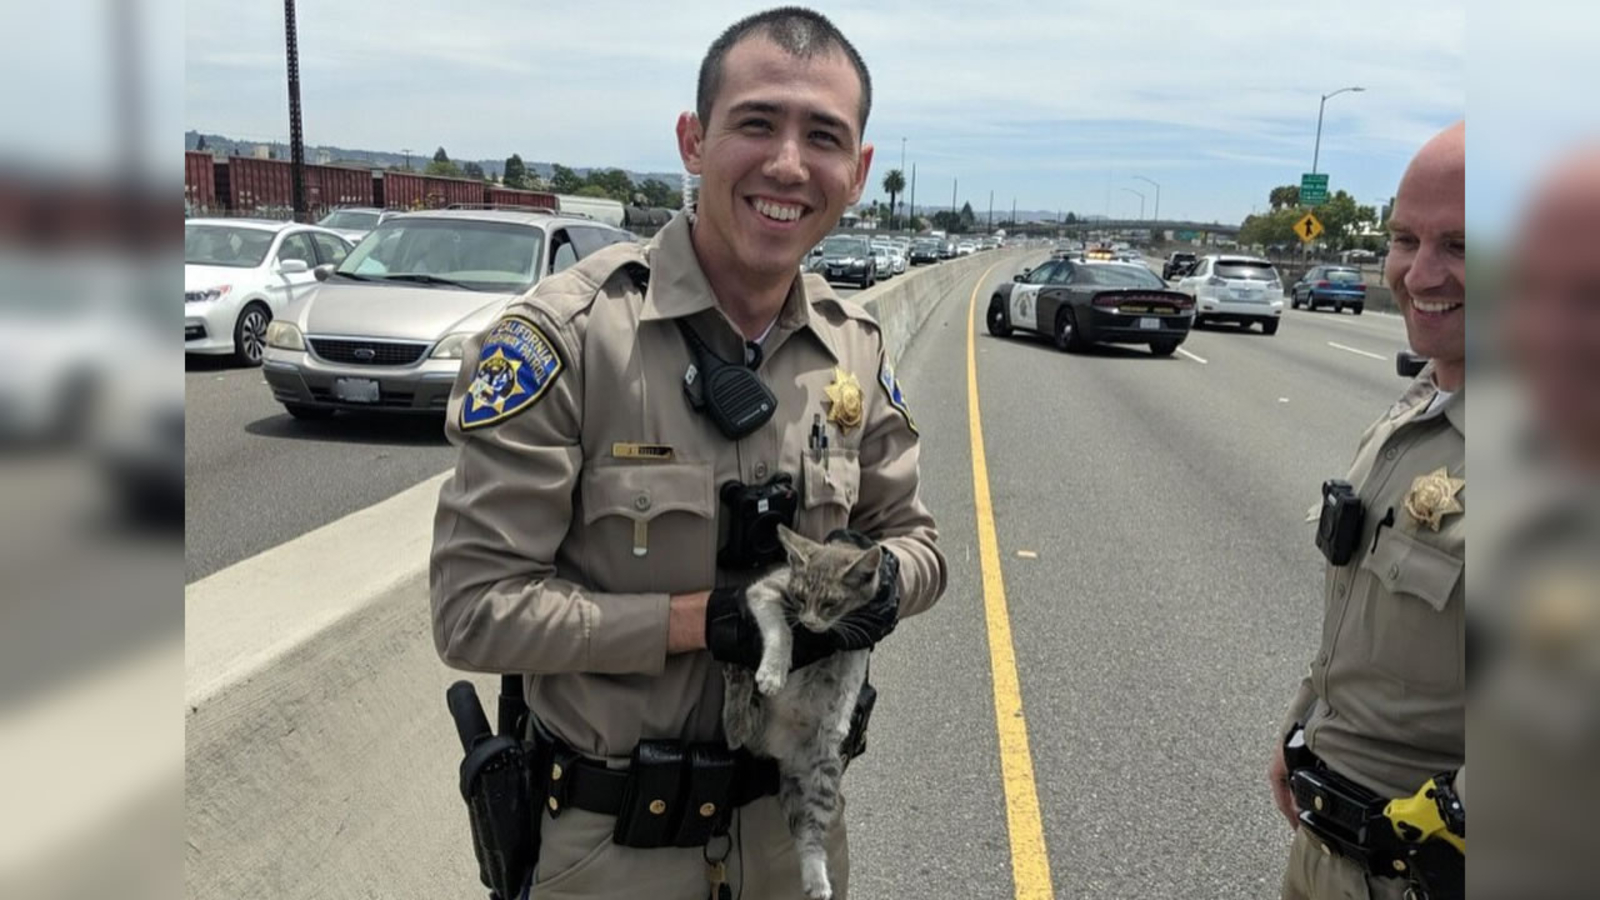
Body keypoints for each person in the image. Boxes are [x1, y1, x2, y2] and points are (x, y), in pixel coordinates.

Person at [430, 8, 946, 900]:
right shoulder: (566, 341)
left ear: (857, 174)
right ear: (693, 140)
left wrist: (880, 585)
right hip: (610, 851)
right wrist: (696, 623)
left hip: (796, 837)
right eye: (756, 123)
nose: (788, 164)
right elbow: (474, 612)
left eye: (823, 137)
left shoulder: (852, 346)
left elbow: (920, 545)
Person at [1270, 121, 1466, 900]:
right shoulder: (1417, 412)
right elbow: (1362, 612)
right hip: (1330, 849)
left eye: (1461, 244)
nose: (1420, 273)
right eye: (1404, 238)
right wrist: (1303, 728)